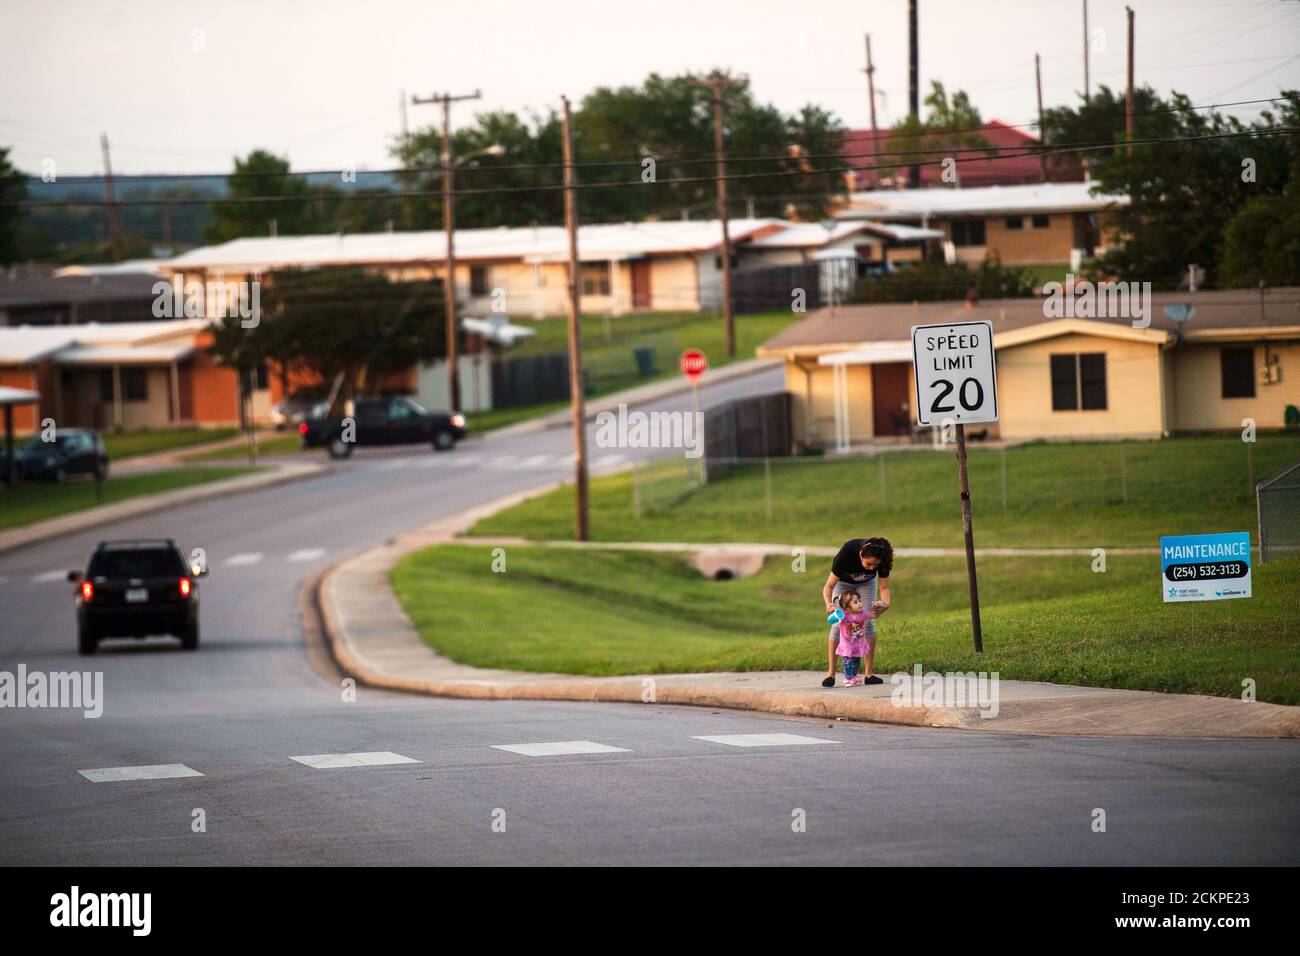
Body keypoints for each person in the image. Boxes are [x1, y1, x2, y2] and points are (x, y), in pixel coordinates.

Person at [821, 537, 892, 687]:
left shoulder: (883, 559)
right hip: (842, 584)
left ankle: (869, 674)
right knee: (837, 625)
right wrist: (829, 605)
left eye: (875, 565)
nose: (872, 568)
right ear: (861, 555)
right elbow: (828, 586)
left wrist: (885, 604)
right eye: (869, 563)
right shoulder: (847, 552)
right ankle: (831, 674)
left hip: (866, 584)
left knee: (868, 624)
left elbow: (884, 588)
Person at [835, 591, 872, 686]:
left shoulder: (862, 614)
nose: (859, 603)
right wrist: (834, 612)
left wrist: (877, 609)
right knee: (847, 661)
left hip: (857, 644)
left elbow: (873, 615)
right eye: (855, 602)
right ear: (847, 608)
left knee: (856, 661)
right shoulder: (844, 616)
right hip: (847, 644)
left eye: (859, 601)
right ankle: (848, 678)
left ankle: (854, 676)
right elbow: (832, 619)